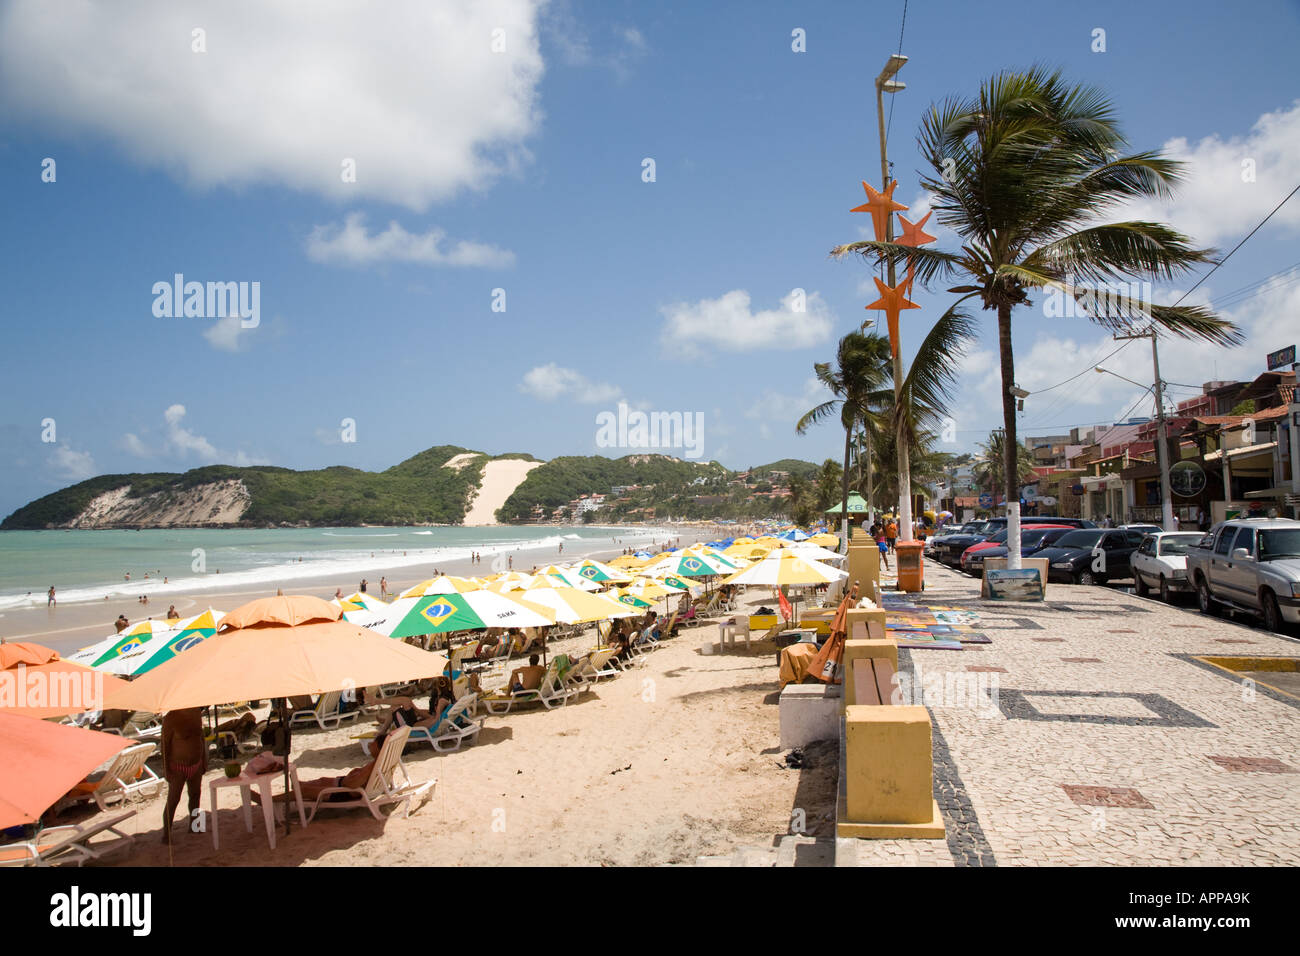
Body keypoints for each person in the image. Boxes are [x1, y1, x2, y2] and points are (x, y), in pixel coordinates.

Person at [160, 707, 206, 844]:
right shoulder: (170, 717)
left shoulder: (196, 713)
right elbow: (164, 745)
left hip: (196, 763)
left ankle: (195, 826)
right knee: (174, 800)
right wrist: (166, 770)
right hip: (177, 766)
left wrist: (204, 760)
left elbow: (201, 738)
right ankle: (166, 834)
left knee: (196, 795)